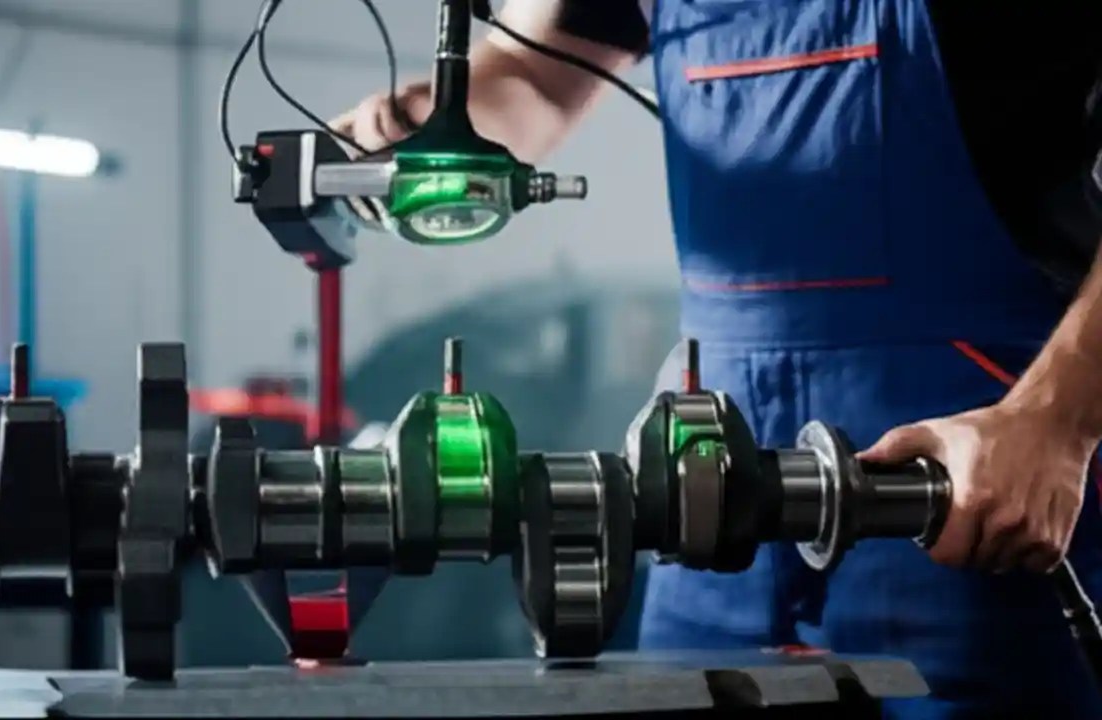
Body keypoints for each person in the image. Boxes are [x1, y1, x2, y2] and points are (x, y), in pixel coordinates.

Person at [334, 1, 1102, 717]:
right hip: (705, 482)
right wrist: (441, 124)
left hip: (977, 470)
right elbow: (535, 71)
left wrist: (1057, 420)